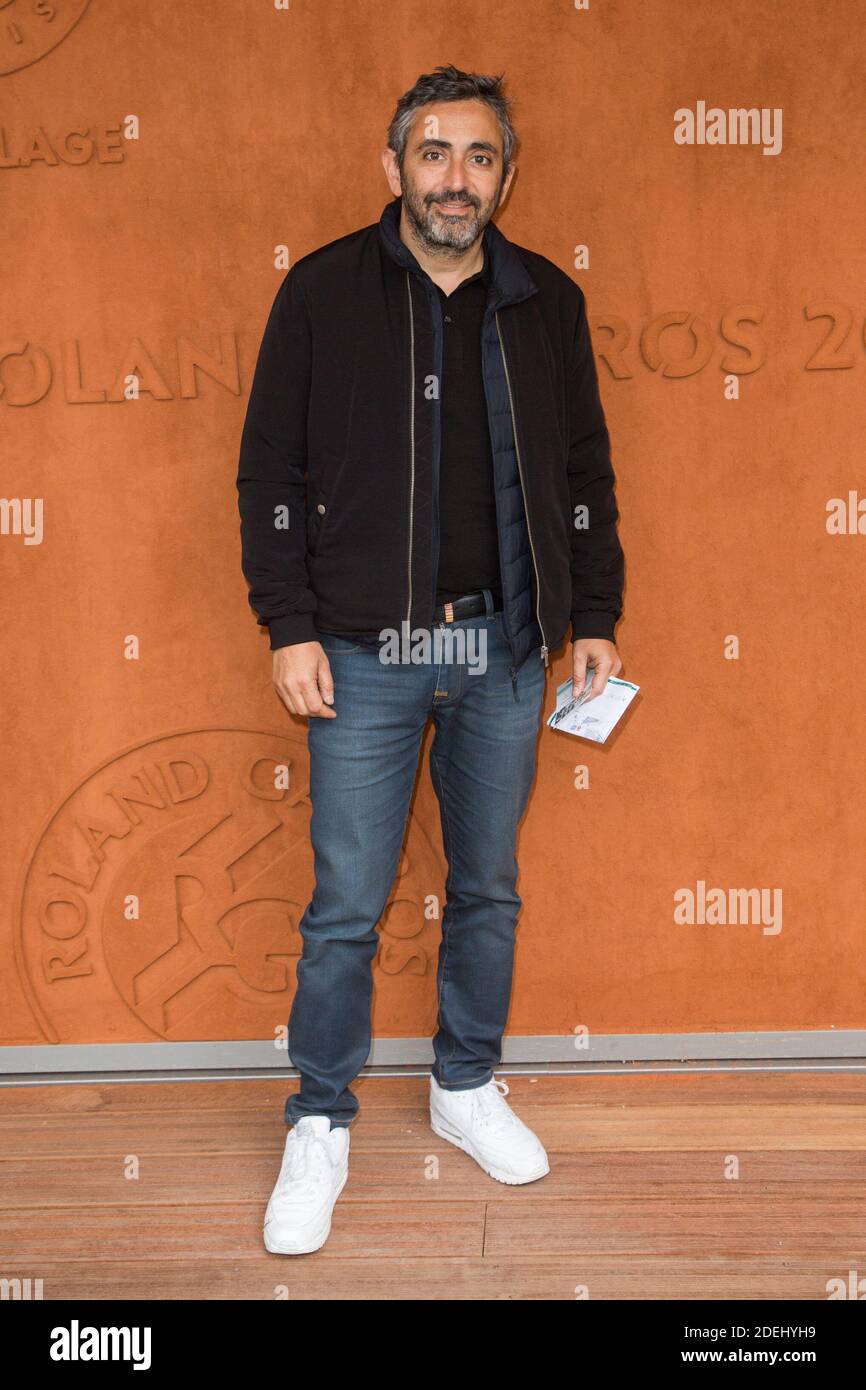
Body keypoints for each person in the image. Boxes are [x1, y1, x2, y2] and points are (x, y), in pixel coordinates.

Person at [236, 63, 625, 1255]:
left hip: (503, 646)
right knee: (347, 904)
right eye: (434, 153)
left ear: (505, 175)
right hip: (360, 651)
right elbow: (270, 476)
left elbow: (581, 476)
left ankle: (463, 1086)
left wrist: (592, 612)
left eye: (479, 157)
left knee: (488, 886)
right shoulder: (322, 293)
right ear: (393, 165)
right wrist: (289, 624)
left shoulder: (541, 302)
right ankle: (321, 1115)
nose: (456, 178)